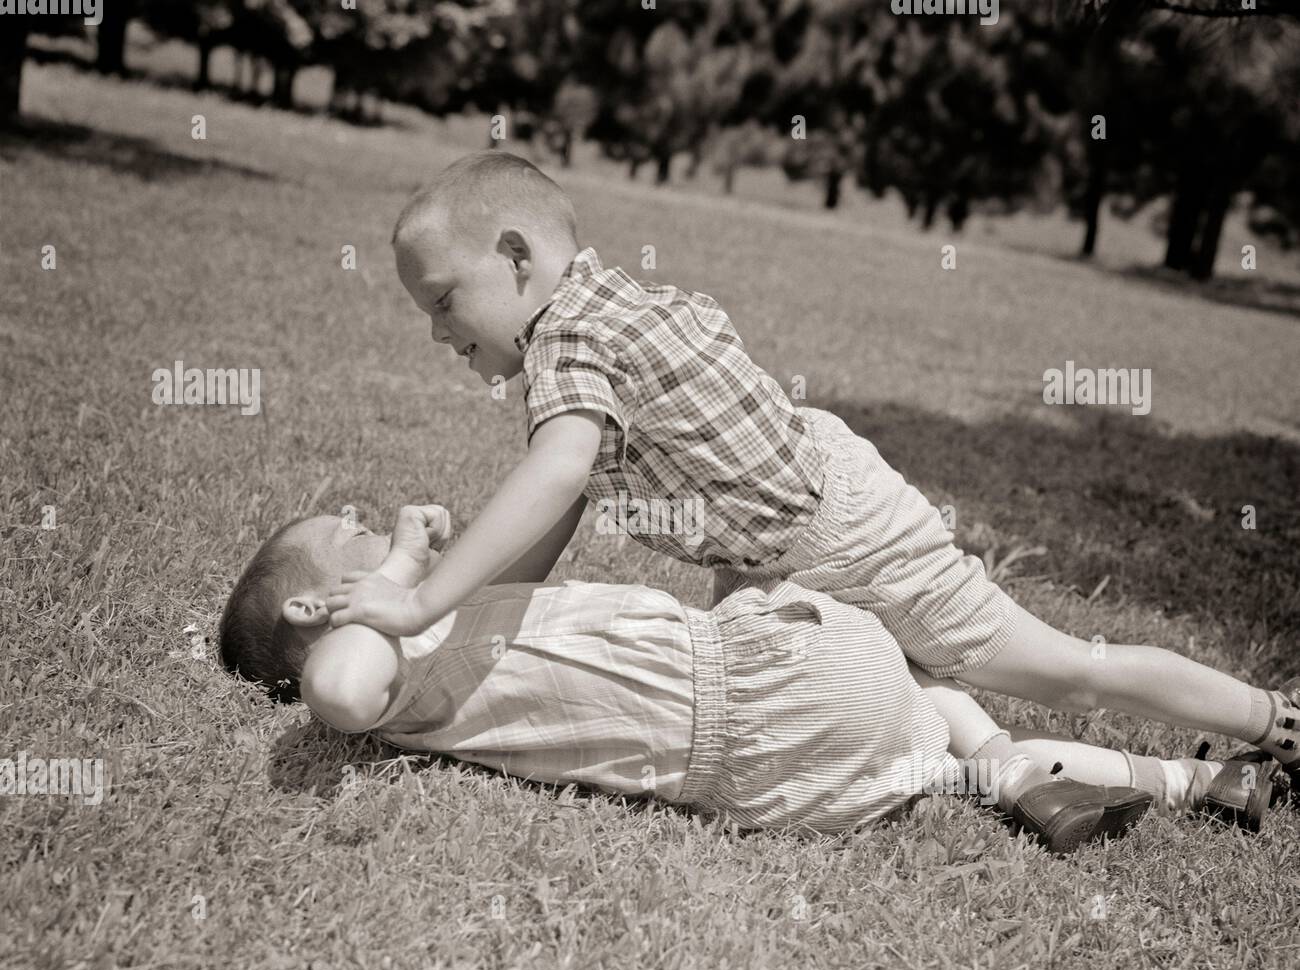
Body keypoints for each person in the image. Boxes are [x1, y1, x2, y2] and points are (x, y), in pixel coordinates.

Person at [322, 152, 1299, 798]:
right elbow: (565, 498)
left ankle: (1273, 721)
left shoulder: (566, 337)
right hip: (770, 551)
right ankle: (1096, 781)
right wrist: (483, 617)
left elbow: (557, 469)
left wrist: (418, 610)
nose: (439, 333)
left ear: (517, 256)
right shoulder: (600, 311)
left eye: (446, 302)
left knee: (1060, 667)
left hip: (836, 528)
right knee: (916, 692)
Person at [220, 505, 1280, 854]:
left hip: (776, 774)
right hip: (755, 680)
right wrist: (401, 573)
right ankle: (1031, 768)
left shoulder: (430, 641)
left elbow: (519, 568)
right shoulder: (378, 670)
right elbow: (342, 697)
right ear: (319, 610)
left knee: (943, 729)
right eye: (356, 532)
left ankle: (1172, 783)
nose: (380, 531)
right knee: (933, 694)